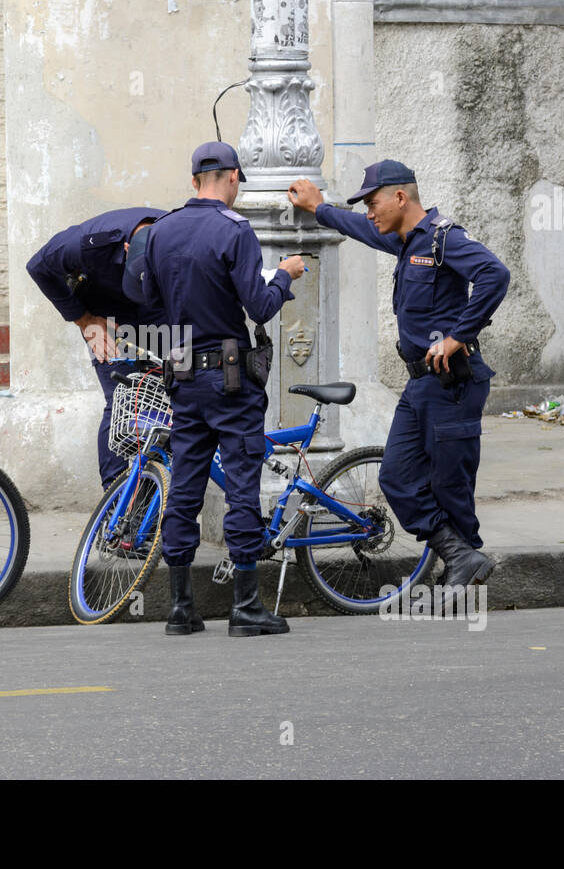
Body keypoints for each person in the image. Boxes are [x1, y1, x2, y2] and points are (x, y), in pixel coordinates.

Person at [287, 161, 510, 600]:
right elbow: (358, 228)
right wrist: (319, 208)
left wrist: (457, 337)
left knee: (450, 483)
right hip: (420, 384)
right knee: (397, 477)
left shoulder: (445, 238)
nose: (370, 212)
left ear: (400, 198)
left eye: (373, 202)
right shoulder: (405, 242)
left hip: (451, 383)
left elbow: (494, 275)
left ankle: (464, 566)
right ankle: (461, 558)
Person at [143, 141, 306, 636]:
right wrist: (284, 275)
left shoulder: (160, 231)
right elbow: (258, 307)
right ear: (233, 178)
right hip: (231, 382)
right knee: (241, 488)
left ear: (195, 180)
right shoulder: (236, 231)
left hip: (183, 378)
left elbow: (147, 302)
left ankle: (180, 609)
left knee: (185, 490)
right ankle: (246, 607)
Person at [26, 207, 167, 488]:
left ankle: (152, 502)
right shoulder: (88, 242)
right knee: (122, 398)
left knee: (161, 400)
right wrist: (85, 320)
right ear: (126, 249)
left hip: (157, 312)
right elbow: (37, 266)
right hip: (107, 316)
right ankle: (113, 500)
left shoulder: (180, 237)